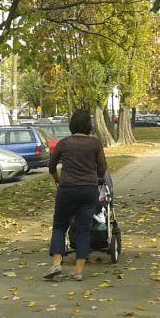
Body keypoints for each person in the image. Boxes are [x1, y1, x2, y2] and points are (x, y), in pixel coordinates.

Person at [44, 109, 107, 281]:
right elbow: (102, 168)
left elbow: (51, 165)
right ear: (89, 126)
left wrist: (57, 178)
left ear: (71, 125)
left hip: (67, 189)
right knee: (83, 229)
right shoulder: (95, 144)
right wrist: (96, 177)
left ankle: (56, 264)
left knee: (59, 226)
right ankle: (78, 271)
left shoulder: (64, 143)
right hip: (88, 191)